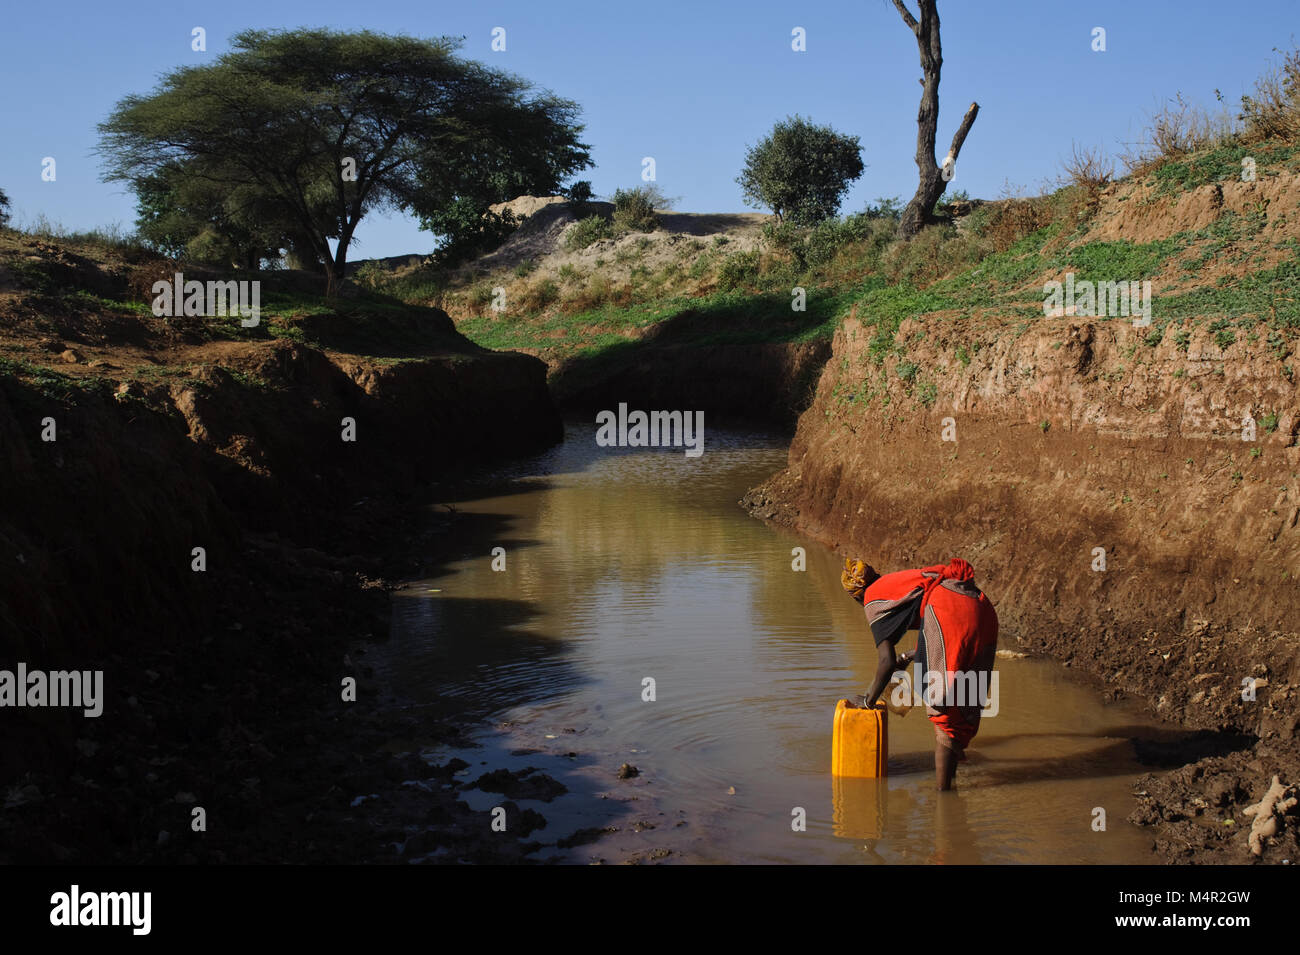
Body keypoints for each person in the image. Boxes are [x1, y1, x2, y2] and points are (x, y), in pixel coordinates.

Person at [841, 556, 998, 790]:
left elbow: (886, 661)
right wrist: (906, 658)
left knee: (942, 707)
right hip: (981, 607)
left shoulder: (872, 602)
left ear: (856, 595)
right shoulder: (895, 583)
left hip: (948, 609)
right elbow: (938, 633)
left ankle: (943, 799)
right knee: (965, 698)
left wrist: (867, 701)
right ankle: (951, 788)